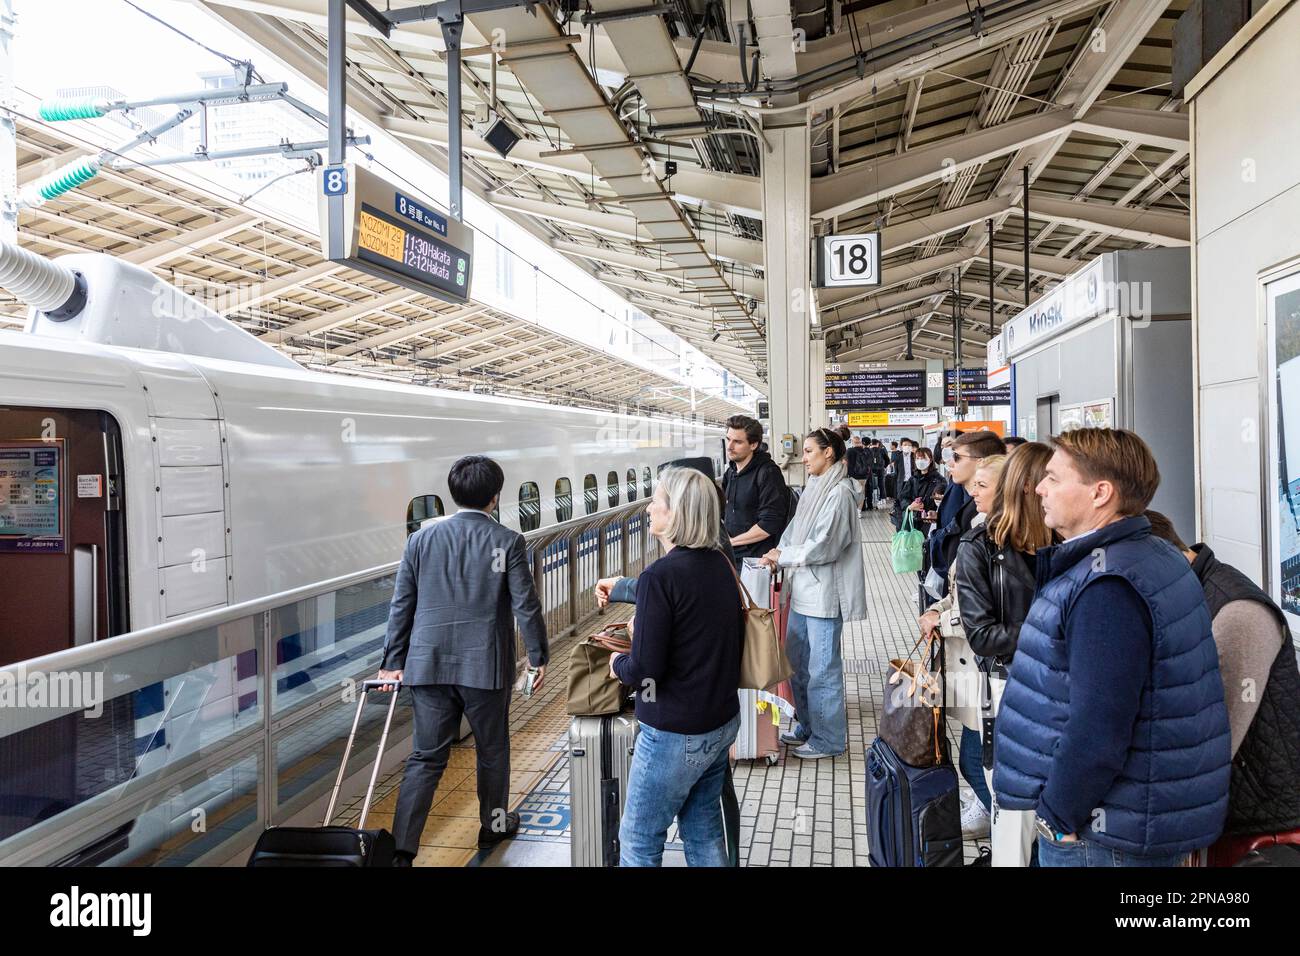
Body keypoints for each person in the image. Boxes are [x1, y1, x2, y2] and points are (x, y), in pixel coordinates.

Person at [992, 429, 1231, 867]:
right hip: (1136, 820)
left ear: (1101, 493)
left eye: (1053, 478)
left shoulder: (1107, 586)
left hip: (1102, 836)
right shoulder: (1154, 556)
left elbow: (1099, 728)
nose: (1039, 489)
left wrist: (1056, 816)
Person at [377, 455, 549, 865]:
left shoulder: (420, 539)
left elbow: (403, 604)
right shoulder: (507, 541)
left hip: (427, 664)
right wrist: (538, 658)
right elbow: (526, 606)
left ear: (454, 494)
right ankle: (492, 827)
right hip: (484, 668)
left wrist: (392, 661)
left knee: (425, 757)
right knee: (492, 750)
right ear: (495, 497)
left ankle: (402, 851)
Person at [1145, 511, 1300, 866]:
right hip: (1228, 818)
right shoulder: (1185, 600)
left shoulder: (1236, 610)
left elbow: (1214, 740)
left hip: (1259, 826)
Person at [610, 467, 744, 866]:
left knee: (638, 836)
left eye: (658, 502)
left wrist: (617, 663)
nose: (650, 508)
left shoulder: (659, 578)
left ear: (677, 514)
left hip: (675, 732)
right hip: (720, 723)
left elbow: (645, 670)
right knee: (702, 830)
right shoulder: (720, 565)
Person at [934, 443, 1054, 862]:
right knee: (1013, 813)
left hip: (1059, 691)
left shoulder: (1066, 541)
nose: (973, 492)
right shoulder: (981, 547)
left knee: (1052, 811)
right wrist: (1054, 628)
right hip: (1003, 686)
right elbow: (982, 634)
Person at [759, 427, 866, 759]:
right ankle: (807, 725)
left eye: (808, 451)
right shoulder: (815, 487)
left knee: (823, 671)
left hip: (824, 596)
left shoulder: (841, 493)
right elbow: (794, 531)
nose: (802, 458)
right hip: (803, 591)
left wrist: (784, 557)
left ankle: (829, 740)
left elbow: (825, 546)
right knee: (798, 665)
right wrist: (777, 553)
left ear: (828, 453)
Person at [721, 414, 790, 568]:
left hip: (756, 560)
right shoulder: (731, 472)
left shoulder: (768, 473)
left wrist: (731, 542)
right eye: (728, 439)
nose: (729, 446)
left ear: (753, 445)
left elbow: (770, 523)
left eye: (737, 442)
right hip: (732, 556)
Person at [889, 438, 917, 530]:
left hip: (913, 483)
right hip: (901, 483)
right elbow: (896, 472)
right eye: (905, 444)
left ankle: (912, 524)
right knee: (901, 504)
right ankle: (901, 525)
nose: (907, 447)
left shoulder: (914, 456)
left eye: (909, 445)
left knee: (912, 502)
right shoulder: (897, 457)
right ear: (901, 446)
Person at [845, 434, 873, 513]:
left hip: (853, 475)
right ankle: (859, 511)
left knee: (853, 493)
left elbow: (846, 463)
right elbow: (870, 463)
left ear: (853, 442)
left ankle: (854, 509)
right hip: (864, 475)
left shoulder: (849, 451)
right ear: (860, 442)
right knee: (862, 492)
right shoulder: (866, 451)